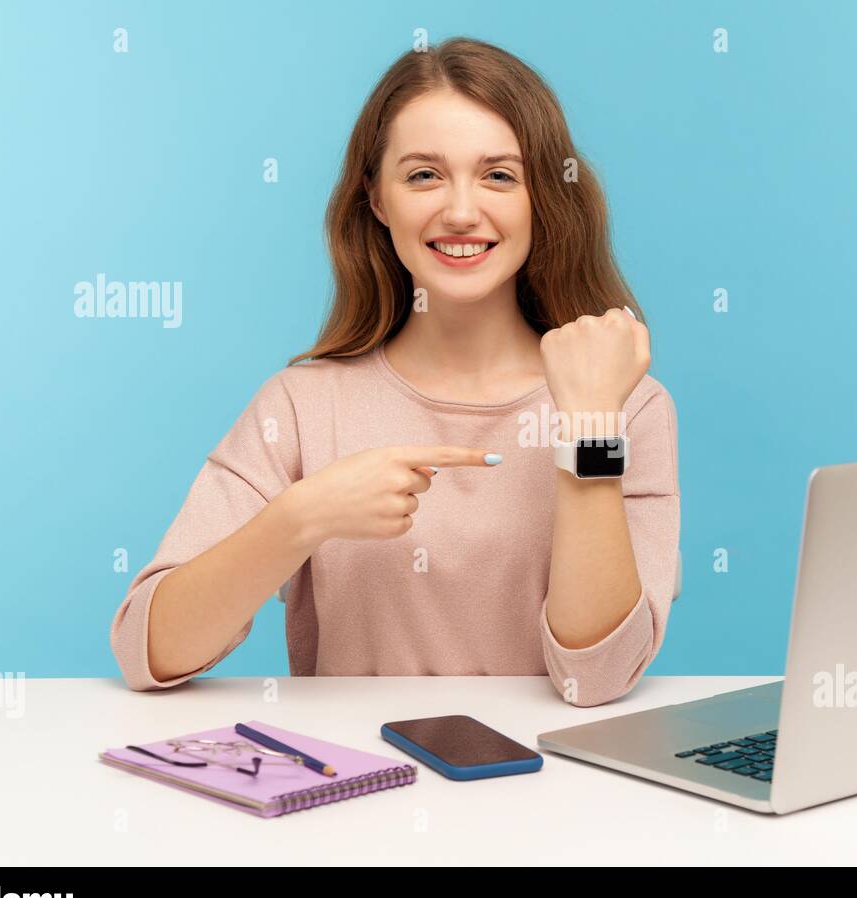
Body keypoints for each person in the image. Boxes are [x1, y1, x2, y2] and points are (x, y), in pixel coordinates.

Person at [109, 37, 680, 707]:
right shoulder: (301, 404)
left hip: (551, 788)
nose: (462, 211)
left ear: (542, 199)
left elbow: (598, 678)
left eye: (499, 175)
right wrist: (302, 517)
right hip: (359, 790)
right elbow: (147, 651)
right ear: (376, 200)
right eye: (423, 175)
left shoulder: (627, 408)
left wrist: (588, 426)